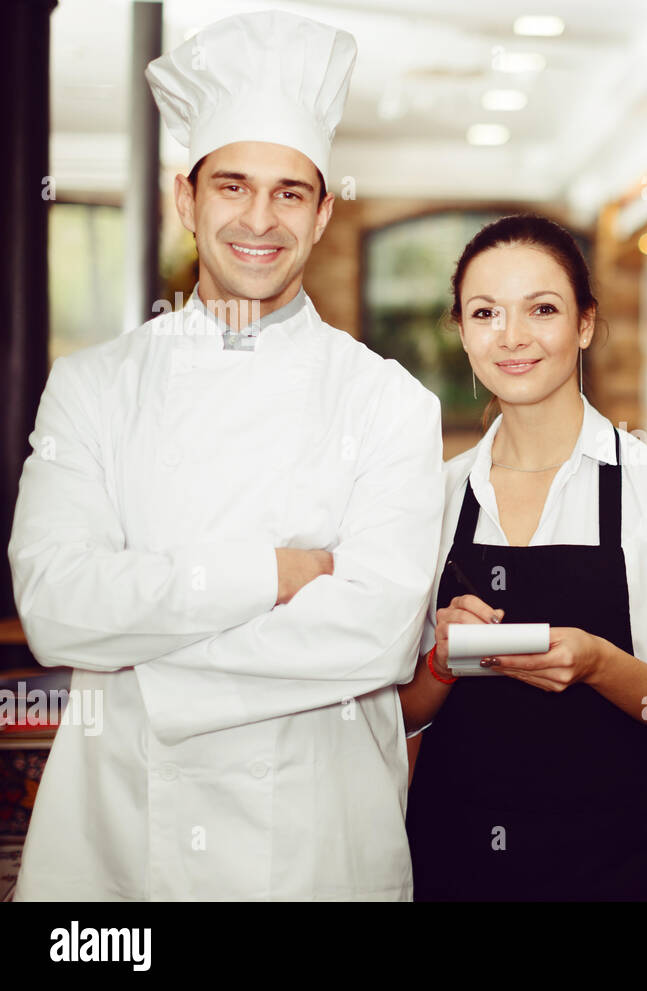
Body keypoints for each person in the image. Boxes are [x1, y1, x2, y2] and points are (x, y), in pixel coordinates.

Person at [8, 11, 443, 900]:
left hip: (319, 845)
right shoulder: (91, 387)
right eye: (233, 185)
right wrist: (276, 572)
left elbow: (379, 634)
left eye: (290, 192)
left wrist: (141, 653)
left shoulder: (390, 401)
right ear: (187, 199)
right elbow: (55, 606)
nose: (259, 218)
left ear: (323, 213)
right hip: (122, 837)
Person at [398, 214, 647, 901]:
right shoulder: (428, 499)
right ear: (461, 330)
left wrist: (601, 663)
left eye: (541, 309)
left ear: (584, 323)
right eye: (485, 312)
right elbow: (395, 713)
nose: (512, 336)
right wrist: (441, 659)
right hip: (451, 857)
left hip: (607, 862)